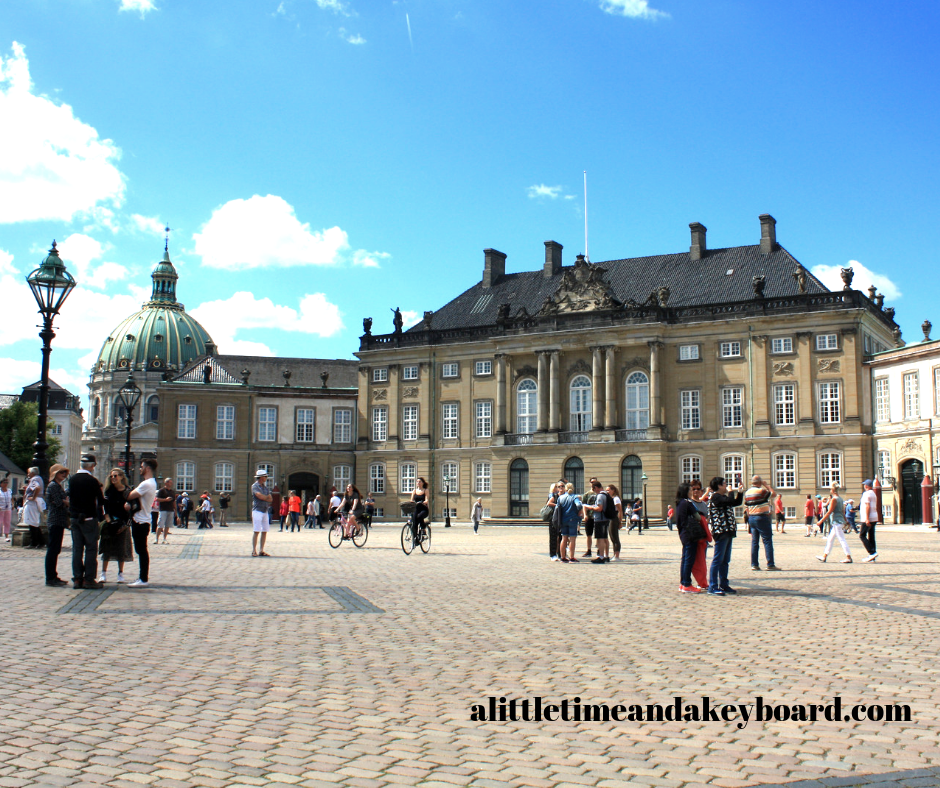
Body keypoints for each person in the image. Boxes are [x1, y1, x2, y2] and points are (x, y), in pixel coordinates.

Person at [68, 454, 105, 589]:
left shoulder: (72, 479)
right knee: (90, 548)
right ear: (91, 466)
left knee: (77, 549)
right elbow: (100, 500)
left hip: (74, 518)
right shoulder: (92, 481)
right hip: (88, 518)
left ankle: (77, 578)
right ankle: (89, 579)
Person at [706, 476, 744, 596]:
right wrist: (731, 492)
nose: (726, 485)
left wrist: (740, 492)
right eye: (724, 484)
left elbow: (736, 502)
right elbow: (729, 501)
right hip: (721, 531)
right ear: (719, 486)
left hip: (727, 531)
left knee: (725, 560)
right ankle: (712, 586)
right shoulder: (715, 497)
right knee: (718, 559)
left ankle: (723, 584)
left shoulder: (721, 497)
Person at [125, 459, 159, 587]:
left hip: (140, 520)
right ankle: (142, 577)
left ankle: (143, 578)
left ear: (148, 468)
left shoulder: (147, 484)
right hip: (143, 519)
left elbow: (129, 496)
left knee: (141, 550)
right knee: (141, 550)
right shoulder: (151, 483)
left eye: (142, 466)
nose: (140, 468)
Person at [99, 468, 134, 583]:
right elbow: (105, 509)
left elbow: (131, 511)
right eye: (112, 476)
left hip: (123, 523)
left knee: (121, 549)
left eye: (116, 476)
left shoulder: (127, 491)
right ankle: (103, 573)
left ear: (122, 477)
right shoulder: (109, 491)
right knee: (106, 549)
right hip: (110, 522)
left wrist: (125, 525)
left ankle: (120, 573)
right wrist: (109, 521)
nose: (113, 478)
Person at [745, 475, 781, 571]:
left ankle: (754, 564)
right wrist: (767, 485)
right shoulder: (761, 491)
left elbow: (747, 507)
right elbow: (774, 494)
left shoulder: (747, 492)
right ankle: (770, 564)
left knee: (754, 542)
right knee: (767, 540)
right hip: (761, 517)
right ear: (760, 482)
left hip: (752, 517)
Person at [43, 464, 71, 587]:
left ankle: (53, 575)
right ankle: (50, 577)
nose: (64, 475)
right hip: (55, 520)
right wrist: (66, 502)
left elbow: (61, 500)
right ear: (55, 474)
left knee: (56, 549)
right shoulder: (53, 486)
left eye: (64, 473)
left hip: (59, 520)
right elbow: (59, 502)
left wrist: (64, 501)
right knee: (53, 549)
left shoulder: (58, 486)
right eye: (61, 473)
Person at [675, 482, 705, 593]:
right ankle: (687, 584)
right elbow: (698, 517)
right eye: (690, 490)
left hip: (683, 533)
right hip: (691, 534)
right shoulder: (688, 503)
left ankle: (683, 583)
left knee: (684, 559)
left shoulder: (679, 503)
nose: (692, 491)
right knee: (689, 560)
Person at [816, 483, 853, 563]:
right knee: (830, 539)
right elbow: (843, 511)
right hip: (839, 521)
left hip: (837, 522)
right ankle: (824, 556)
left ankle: (848, 556)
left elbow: (829, 512)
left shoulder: (834, 499)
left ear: (832, 490)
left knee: (842, 539)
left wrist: (821, 521)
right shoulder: (840, 499)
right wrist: (846, 520)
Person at [689, 480, 712, 589]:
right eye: (694, 489)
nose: (696, 491)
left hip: (702, 535)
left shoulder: (703, 504)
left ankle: (701, 581)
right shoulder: (689, 503)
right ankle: (687, 582)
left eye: (698, 489)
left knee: (702, 559)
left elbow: (707, 518)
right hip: (693, 535)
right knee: (691, 559)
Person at [555, 483, 583, 562]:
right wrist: (578, 512)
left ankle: (563, 557)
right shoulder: (574, 497)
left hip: (563, 520)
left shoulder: (561, 497)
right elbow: (579, 505)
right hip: (572, 519)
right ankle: (571, 557)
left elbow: (558, 507)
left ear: (565, 489)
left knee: (564, 538)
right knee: (572, 539)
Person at [585, 479, 611, 564]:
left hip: (600, 519)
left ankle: (601, 556)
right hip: (606, 519)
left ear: (596, 487)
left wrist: (591, 507)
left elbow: (599, 508)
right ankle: (604, 556)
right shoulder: (606, 494)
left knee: (600, 539)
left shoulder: (600, 496)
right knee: (604, 538)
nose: (594, 491)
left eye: (594, 489)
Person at [251, 468, 273, 556]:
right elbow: (259, 496)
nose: (266, 477)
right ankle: (254, 550)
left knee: (265, 531)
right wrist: (266, 498)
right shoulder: (255, 486)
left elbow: (270, 499)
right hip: (257, 511)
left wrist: (266, 498)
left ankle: (261, 550)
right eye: (265, 476)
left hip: (265, 511)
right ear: (261, 477)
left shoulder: (265, 487)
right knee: (256, 531)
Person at [22, 467, 45, 549]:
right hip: (37, 501)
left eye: (29, 473)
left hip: (33, 503)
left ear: (32, 473)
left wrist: (33, 497)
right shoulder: (39, 478)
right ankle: (40, 541)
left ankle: (34, 542)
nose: (28, 474)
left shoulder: (34, 479)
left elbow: (37, 487)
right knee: (35, 522)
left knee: (32, 522)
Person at [859, 479, 879, 562]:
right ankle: (872, 556)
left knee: (862, 535)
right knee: (871, 536)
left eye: (864, 484)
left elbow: (867, 506)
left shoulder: (866, 494)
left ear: (866, 486)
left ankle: (872, 552)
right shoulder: (873, 493)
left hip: (868, 518)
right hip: (874, 517)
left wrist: (867, 518)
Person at [154, 478, 178, 544]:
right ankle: (156, 539)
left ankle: (164, 539)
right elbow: (157, 499)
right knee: (160, 525)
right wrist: (165, 500)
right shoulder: (161, 490)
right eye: (170, 482)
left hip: (170, 510)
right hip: (163, 510)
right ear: (166, 483)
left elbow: (173, 502)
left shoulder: (172, 492)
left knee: (167, 525)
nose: (171, 484)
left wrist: (175, 510)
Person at [545, 482, 562, 561]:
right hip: (553, 518)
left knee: (562, 537)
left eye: (562, 486)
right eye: (558, 486)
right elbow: (548, 503)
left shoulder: (565, 496)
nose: (560, 488)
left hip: (562, 518)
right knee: (553, 537)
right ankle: (553, 554)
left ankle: (561, 554)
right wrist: (557, 505)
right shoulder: (553, 496)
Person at [606, 483, 623, 561]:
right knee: (612, 537)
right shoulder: (610, 498)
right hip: (610, 518)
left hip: (614, 518)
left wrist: (620, 521)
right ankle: (614, 554)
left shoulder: (616, 499)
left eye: (608, 490)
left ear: (613, 490)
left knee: (615, 537)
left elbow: (620, 510)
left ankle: (617, 555)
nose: (607, 492)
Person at [410, 477, 430, 544]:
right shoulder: (414, 491)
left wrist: (425, 501)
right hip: (416, 508)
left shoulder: (425, 490)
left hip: (423, 509)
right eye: (417, 481)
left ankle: (423, 529)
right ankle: (416, 539)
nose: (418, 483)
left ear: (423, 483)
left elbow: (427, 499)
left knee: (420, 516)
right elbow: (411, 500)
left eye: (420, 481)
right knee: (414, 523)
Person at [0, 476, 12, 542]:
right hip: (1, 508)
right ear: (1, 484)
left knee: (7, 522)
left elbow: (11, 498)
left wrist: (12, 505)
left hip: (8, 508)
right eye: (4, 482)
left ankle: (6, 536)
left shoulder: (9, 490)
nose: (6, 484)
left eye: (7, 482)